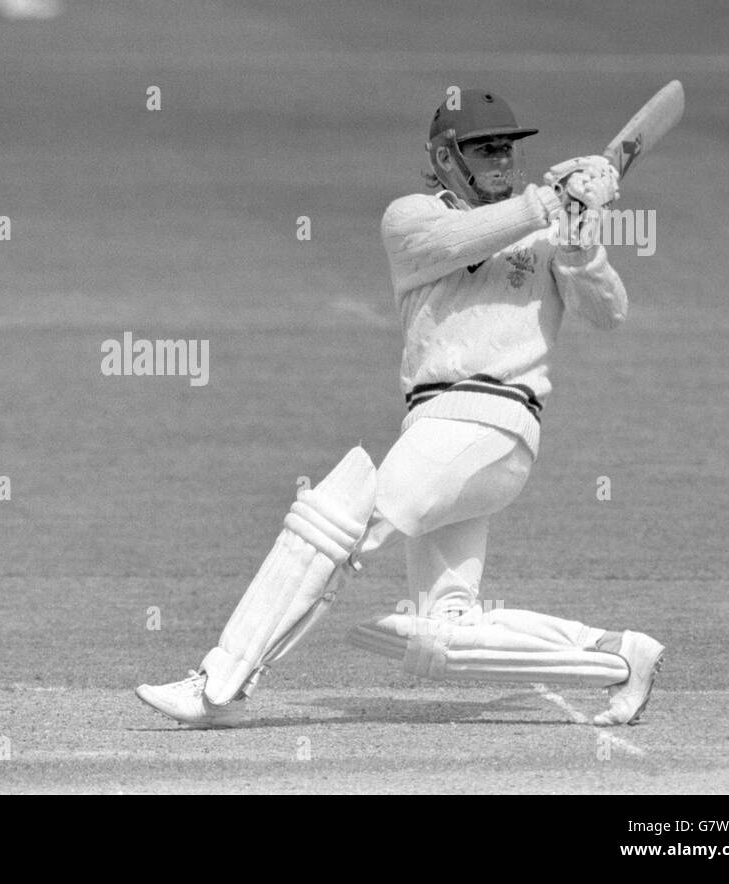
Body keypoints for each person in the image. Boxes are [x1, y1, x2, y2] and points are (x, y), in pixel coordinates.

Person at [136, 88, 665, 728]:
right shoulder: (412, 219)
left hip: (491, 423)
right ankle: (616, 655)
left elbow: (609, 315)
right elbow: (466, 239)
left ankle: (216, 684)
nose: (504, 160)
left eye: (509, 148)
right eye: (486, 148)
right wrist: (554, 201)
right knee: (443, 632)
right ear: (446, 157)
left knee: (333, 520)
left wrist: (581, 240)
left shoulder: (546, 230)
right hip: (440, 430)